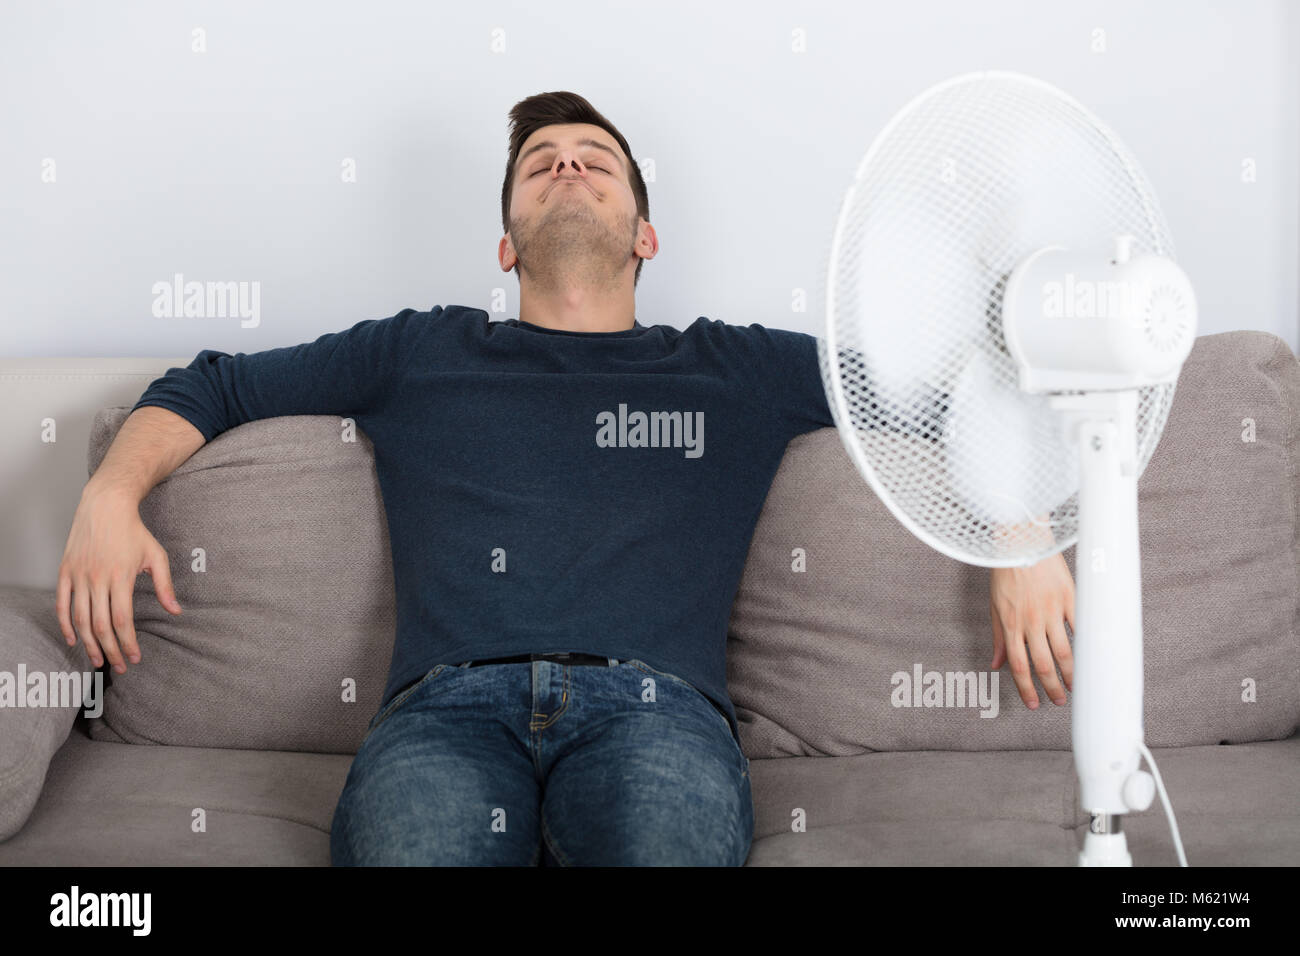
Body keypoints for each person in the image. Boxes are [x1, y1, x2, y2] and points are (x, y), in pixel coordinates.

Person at [55, 91, 1075, 866]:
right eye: (541, 162)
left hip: (657, 712)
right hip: (441, 714)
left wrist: (1019, 530)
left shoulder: (731, 367)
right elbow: (211, 383)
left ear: (644, 234)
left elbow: (937, 392)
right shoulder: (419, 350)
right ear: (506, 242)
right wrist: (109, 494)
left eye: (596, 160)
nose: (568, 166)